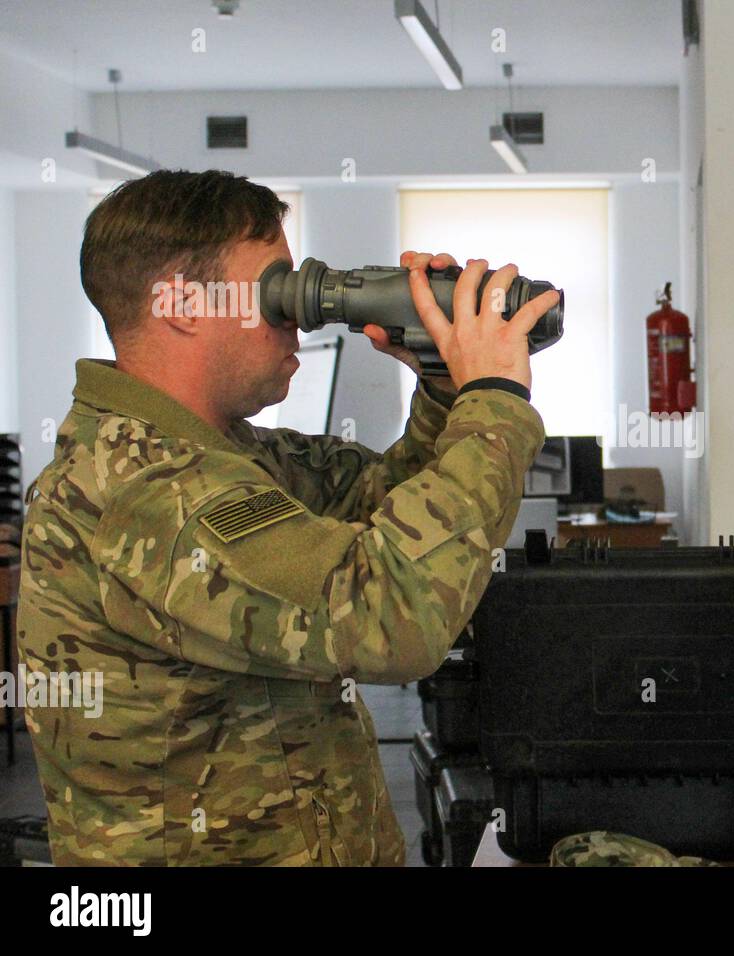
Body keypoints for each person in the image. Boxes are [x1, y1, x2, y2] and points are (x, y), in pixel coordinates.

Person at [17, 168, 558, 864]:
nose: (297, 320)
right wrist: (494, 402)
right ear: (182, 304)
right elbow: (392, 617)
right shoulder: (144, 491)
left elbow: (384, 512)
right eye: (276, 292)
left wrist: (446, 383)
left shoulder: (227, 459)